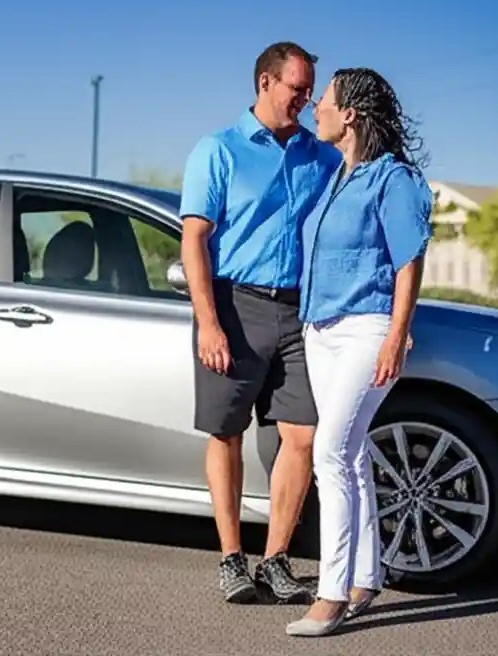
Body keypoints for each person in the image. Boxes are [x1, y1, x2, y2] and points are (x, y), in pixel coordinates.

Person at [179, 41, 343, 605]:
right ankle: (232, 559)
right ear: (265, 82)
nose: (305, 98)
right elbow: (195, 239)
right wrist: (209, 323)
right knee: (226, 432)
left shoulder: (319, 155)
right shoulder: (218, 150)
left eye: (309, 90)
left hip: (300, 310)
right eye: (297, 87)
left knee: (301, 433)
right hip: (234, 303)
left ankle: (276, 561)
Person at [284, 67, 434, 637]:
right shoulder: (338, 178)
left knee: (329, 453)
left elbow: (407, 261)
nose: (315, 108)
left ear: (349, 114)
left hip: (367, 330)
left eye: (323, 101)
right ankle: (365, 576)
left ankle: (330, 595)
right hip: (320, 330)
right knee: (351, 454)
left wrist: (397, 333)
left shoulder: (392, 180)